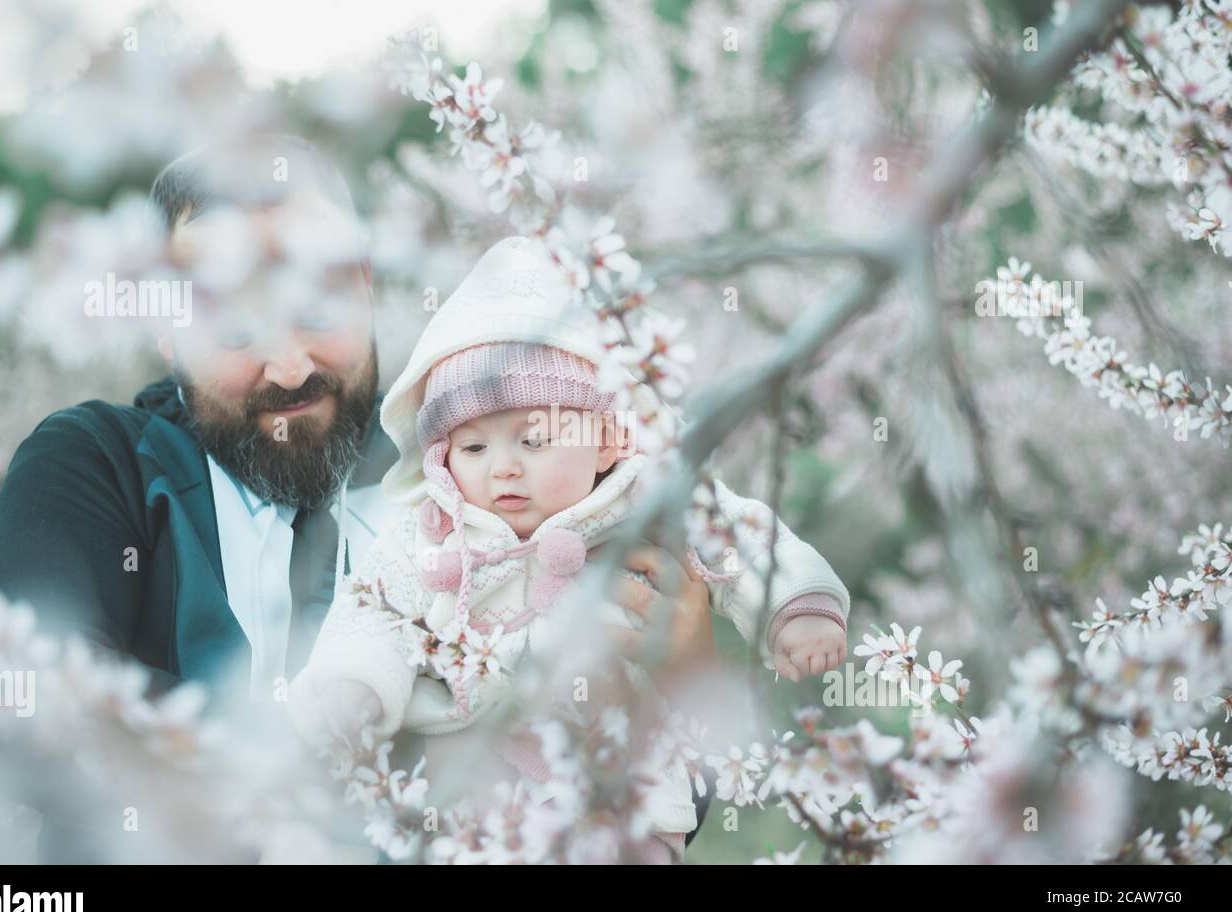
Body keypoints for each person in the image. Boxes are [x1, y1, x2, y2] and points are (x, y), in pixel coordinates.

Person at [0, 136, 715, 861]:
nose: (290, 368)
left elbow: (646, 752)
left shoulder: (475, 470)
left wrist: (681, 665)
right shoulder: (97, 462)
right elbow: (31, 701)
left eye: (319, 309)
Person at [288, 235, 851, 863]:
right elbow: (373, 612)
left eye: (533, 440)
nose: (502, 469)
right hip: (474, 794)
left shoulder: (648, 504)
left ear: (607, 441)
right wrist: (357, 684)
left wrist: (796, 606)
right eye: (473, 449)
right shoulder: (432, 533)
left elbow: (743, 537)